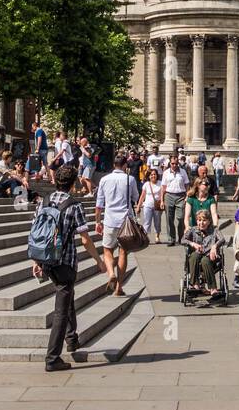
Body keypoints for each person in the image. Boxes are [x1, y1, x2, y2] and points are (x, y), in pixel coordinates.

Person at [31, 164, 104, 372]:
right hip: (65, 261)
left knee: (66, 293)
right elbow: (85, 239)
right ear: (73, 184)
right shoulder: (74, 205)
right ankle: (52, 358)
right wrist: (98, 260)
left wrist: (36, 261)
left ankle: (72, 339)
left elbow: (37, 231)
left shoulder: (43, 201)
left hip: (46, 260)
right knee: (61, 310)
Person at [94, 152, 140, 296]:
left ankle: (111, 274)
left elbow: (99, 204)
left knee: (107, 250)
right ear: (125, 165)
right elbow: (135, 197)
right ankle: (119, 287)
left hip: (109, 220)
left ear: (114, 165)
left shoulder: (104, 180)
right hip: (125, 221)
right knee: (123, 252)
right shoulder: (130, 179)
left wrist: (97, 221)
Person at [182, 210, 225, 297]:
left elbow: (222, 239)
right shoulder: (193, 230)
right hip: (196, 259)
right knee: (194, 255)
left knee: (205, 260)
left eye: (204, 220)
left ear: (209, 221)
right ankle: (195, 285)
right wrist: (192, 244)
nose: (201, 223)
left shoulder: (214, 230)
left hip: (211, 259)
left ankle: (213, 288)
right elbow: (183, 240)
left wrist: (214, 246)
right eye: (199, 220)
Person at [159, 154, 190, 246]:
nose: (174, 165)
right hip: (169, 196)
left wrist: (187, 196)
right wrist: (161, 200)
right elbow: (163, 187)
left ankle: (181, 237)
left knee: (181, 218)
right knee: (169, 218)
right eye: (173, 163)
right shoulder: (166, 173)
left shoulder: (183, 172)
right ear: (170, 163)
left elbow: (187, 184)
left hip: (181, 196)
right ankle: (171, 239)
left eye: (176, 163)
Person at [137, 168, 163, 243]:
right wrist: (139, 206)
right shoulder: (146, 184)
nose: (153, 176)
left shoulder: (160, 183)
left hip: (157, 206)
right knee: (147, 222)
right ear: (149, 176)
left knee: (157, 222)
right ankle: (145, 237)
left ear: (157, 175)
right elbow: (142, 196)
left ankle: (157, 237)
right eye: (151, 175)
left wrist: (162, 202)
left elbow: (162, 194)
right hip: (147, 205)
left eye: (154, 174)